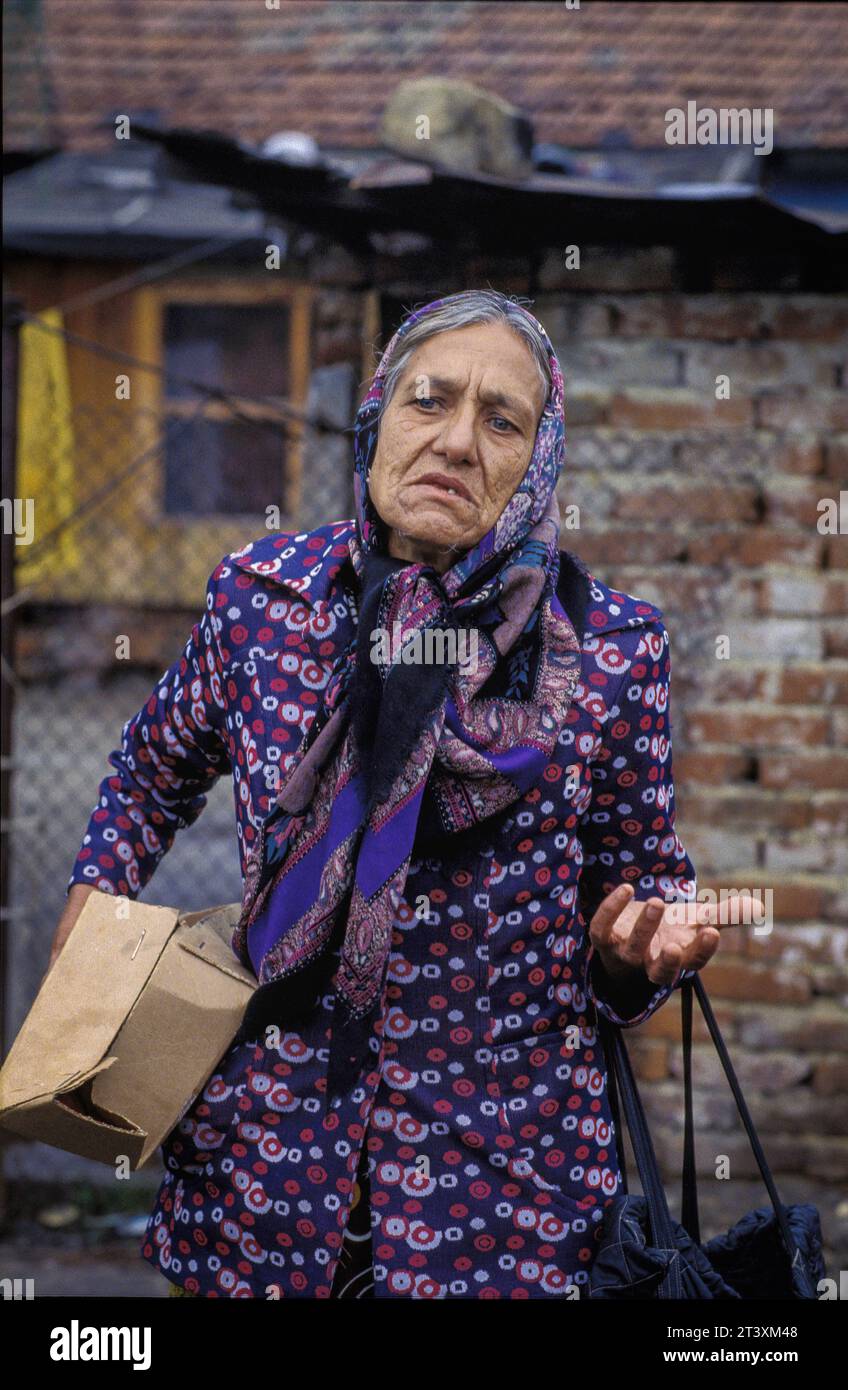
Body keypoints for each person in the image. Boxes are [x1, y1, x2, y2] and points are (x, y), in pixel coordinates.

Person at [53, 290, 735, 1300]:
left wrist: (636, 955)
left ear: (535, 461)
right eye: (429, 401)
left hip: (503, 1196)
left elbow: (638, 885)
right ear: (378, 414)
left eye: (499, 419)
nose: (456, 441)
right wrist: (93, 896)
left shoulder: (609, 651)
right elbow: (152, 771)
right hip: (261, 1167)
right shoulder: (263, 600)